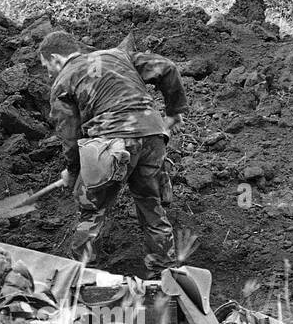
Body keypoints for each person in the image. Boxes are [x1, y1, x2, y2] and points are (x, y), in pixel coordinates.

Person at [39, 31, 187, 273]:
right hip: (152, 134)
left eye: (47, 67)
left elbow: (70, 135)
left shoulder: (64, 80)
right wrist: (174, 111)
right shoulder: (118, 56)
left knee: (91, 209)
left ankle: (85, 276)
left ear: (56, 58)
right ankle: (164, 274)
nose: (49, 74)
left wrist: (73, 171)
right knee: (151, 205)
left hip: (112, 141)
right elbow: (167, 67)